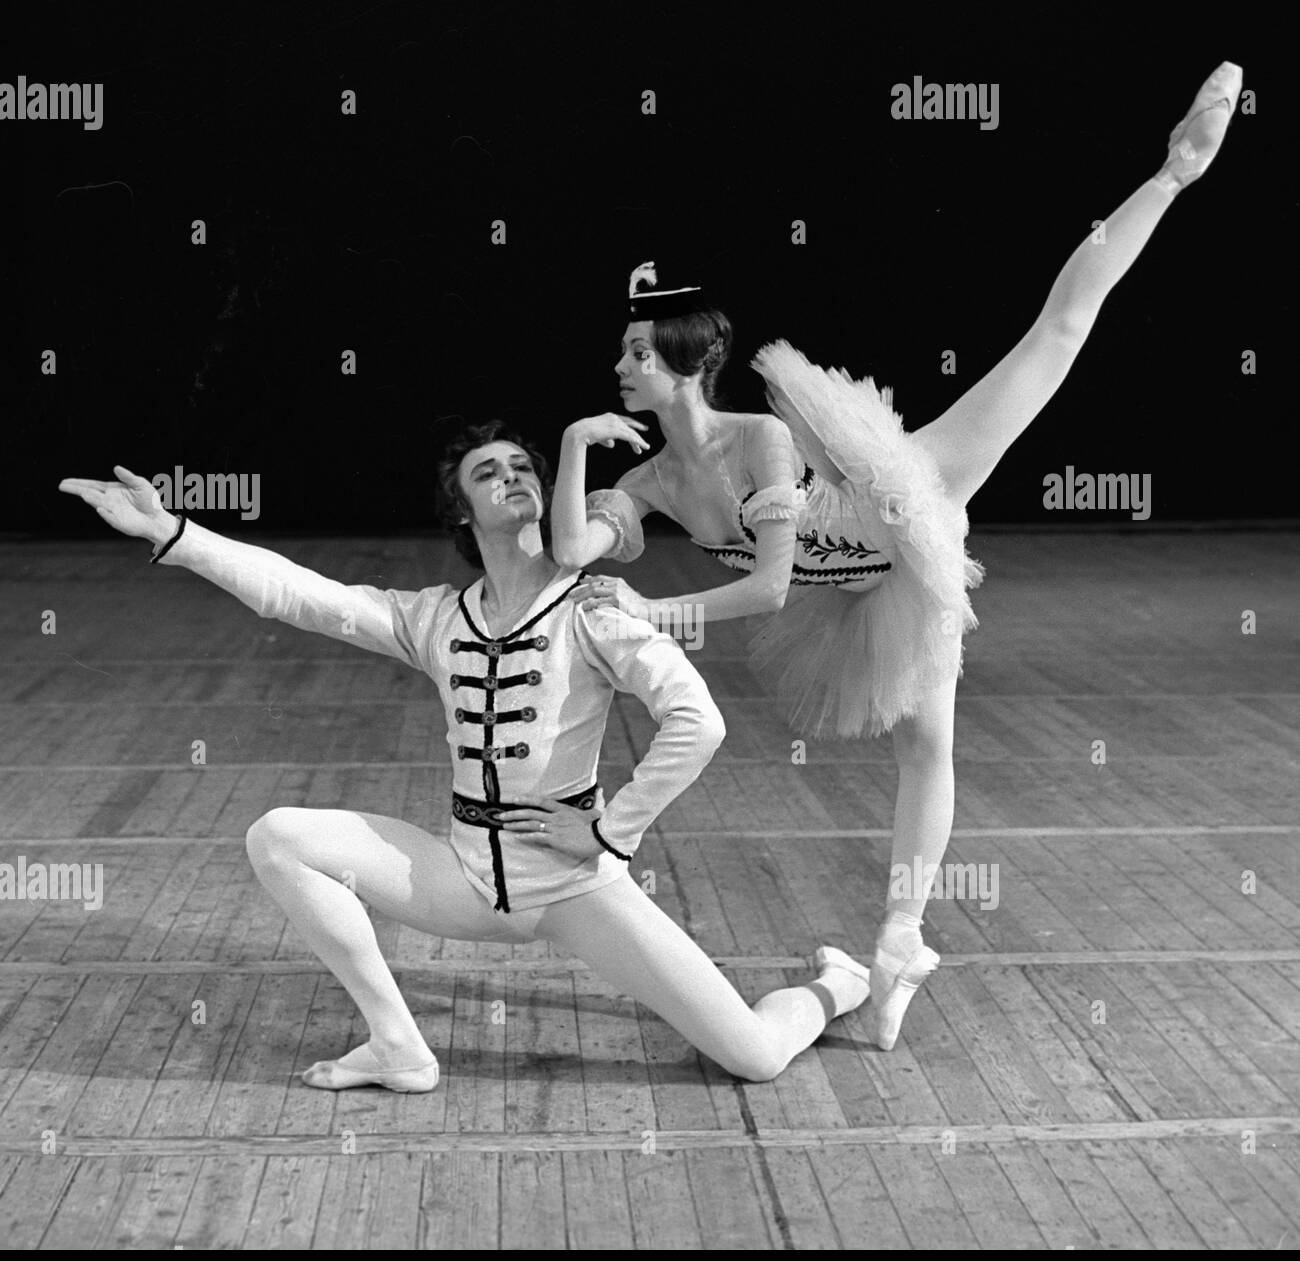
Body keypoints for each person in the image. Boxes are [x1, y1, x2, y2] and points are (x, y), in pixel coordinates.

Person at [550, 62, 1244, 1050]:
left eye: (631, 350)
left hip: (903, 498)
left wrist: (656, 614)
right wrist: (576, 451)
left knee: (1054, 334)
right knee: (924, 745)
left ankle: (1173, 173)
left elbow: (770, 586)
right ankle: (893, 957)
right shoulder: (656, 481)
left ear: (677, 358)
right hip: (866, 592)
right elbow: (571, 549)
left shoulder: (762, 443)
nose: (617, 365)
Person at [58, 422, 872, 1092]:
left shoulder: (595, 609)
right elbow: (305, 596)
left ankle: (839, 985)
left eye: (526, 467)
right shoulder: (436, 617)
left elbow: (699, 721)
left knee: (756, 1060)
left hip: (574, 888)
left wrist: (610, 832)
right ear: (461, 510)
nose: (514, 478)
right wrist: (174, 533)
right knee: (279, 836)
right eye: (491, 471)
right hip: (463, 879)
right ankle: (400, 1048)